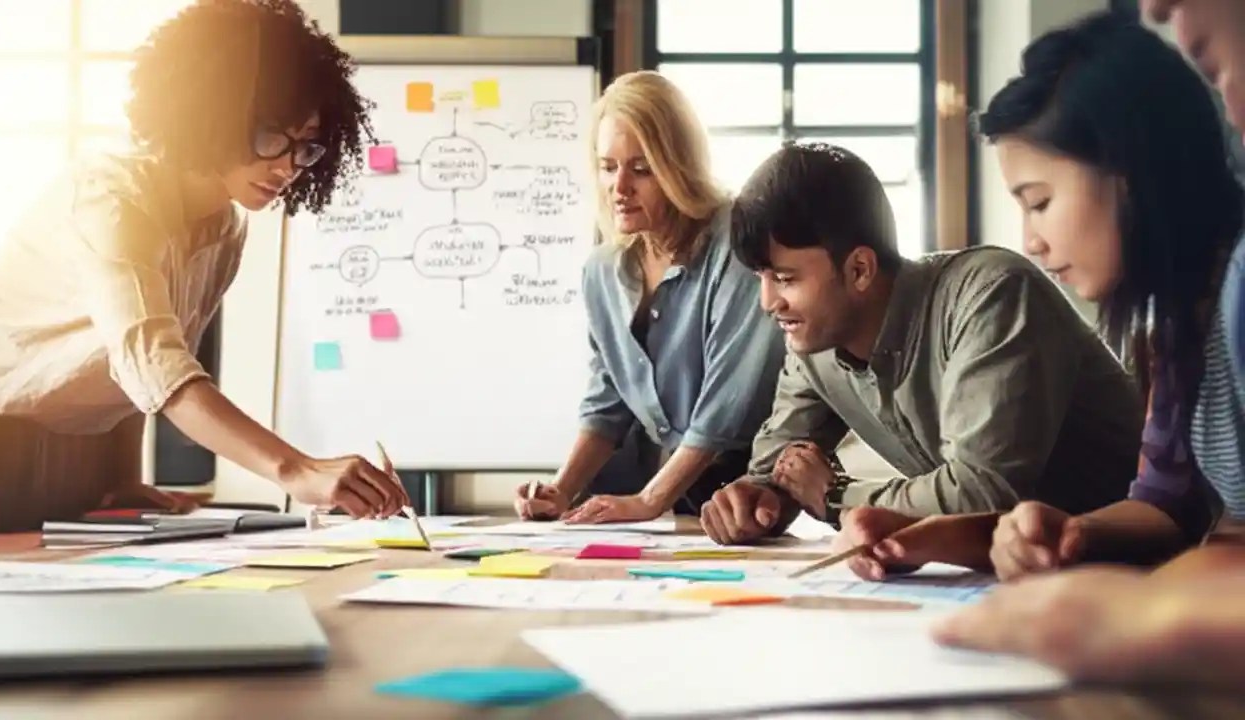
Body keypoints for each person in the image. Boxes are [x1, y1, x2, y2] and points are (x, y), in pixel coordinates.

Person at [0, 0, 409, 534]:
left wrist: (125, 479)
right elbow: (154, 364)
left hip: (57, 456)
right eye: (271, 138)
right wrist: (296, 470)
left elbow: (136, 364)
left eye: (306, 149)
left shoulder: (223, 226)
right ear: (211, 115)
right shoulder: (112, 200)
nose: (288, 167)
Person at [932, 11, 1245, 686]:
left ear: (1130, 174)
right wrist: (1072, 531)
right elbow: (1168, 503)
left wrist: (1138, 613)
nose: (1032, 240)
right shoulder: (1177, 318)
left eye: (1039, 202)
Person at [697, 142, 1143, 549]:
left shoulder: (991, 296)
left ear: (859, 270)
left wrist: (837, 496)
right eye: (761, 278)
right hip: (1013, 560)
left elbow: (983, 494)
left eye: (785, 278)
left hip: (1131, 554)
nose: (768, 302)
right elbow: (779, 471)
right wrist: (755, 503)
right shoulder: (815, 342)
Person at [511, 71, 785, 524]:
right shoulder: (603, 270)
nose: (619, 188)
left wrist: (649, 500)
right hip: (671, 492)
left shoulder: (737, 246)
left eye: (641, 169)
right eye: (608, 167)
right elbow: (607, 402)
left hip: (752, 489)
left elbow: (727, 405)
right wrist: (561, 489)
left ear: (680, 167)